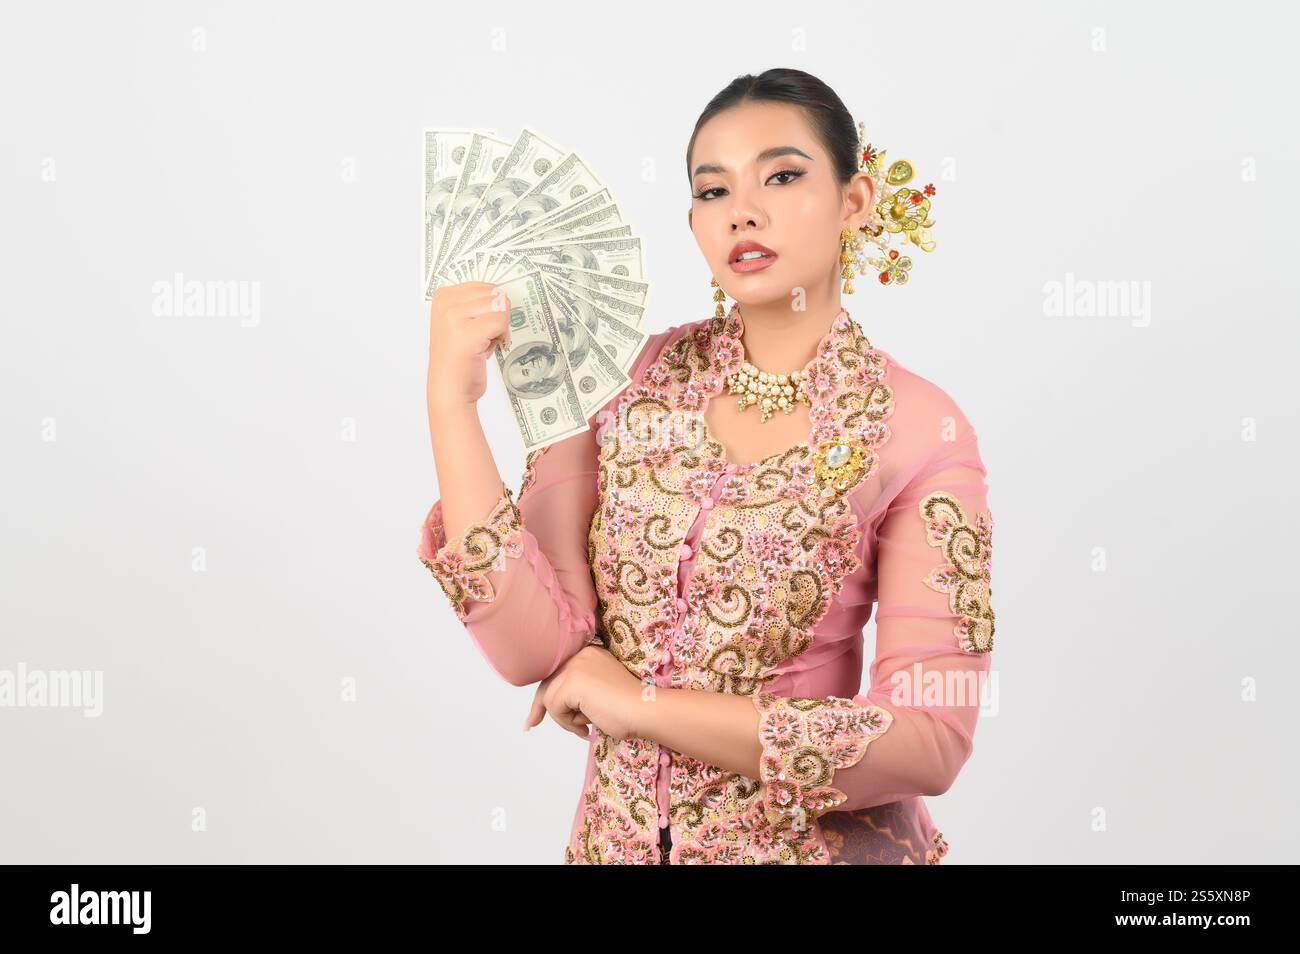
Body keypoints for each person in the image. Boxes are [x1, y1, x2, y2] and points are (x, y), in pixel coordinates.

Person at [418, 67, 995, 865]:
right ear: (693, 222)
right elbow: (534, 649)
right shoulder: (622, 384)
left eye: (784, 176)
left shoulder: (919, 427)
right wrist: (452, 404)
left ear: (854, 201)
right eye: (713, 191)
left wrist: (642, 704)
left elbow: (931, 738)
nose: (743, 212)